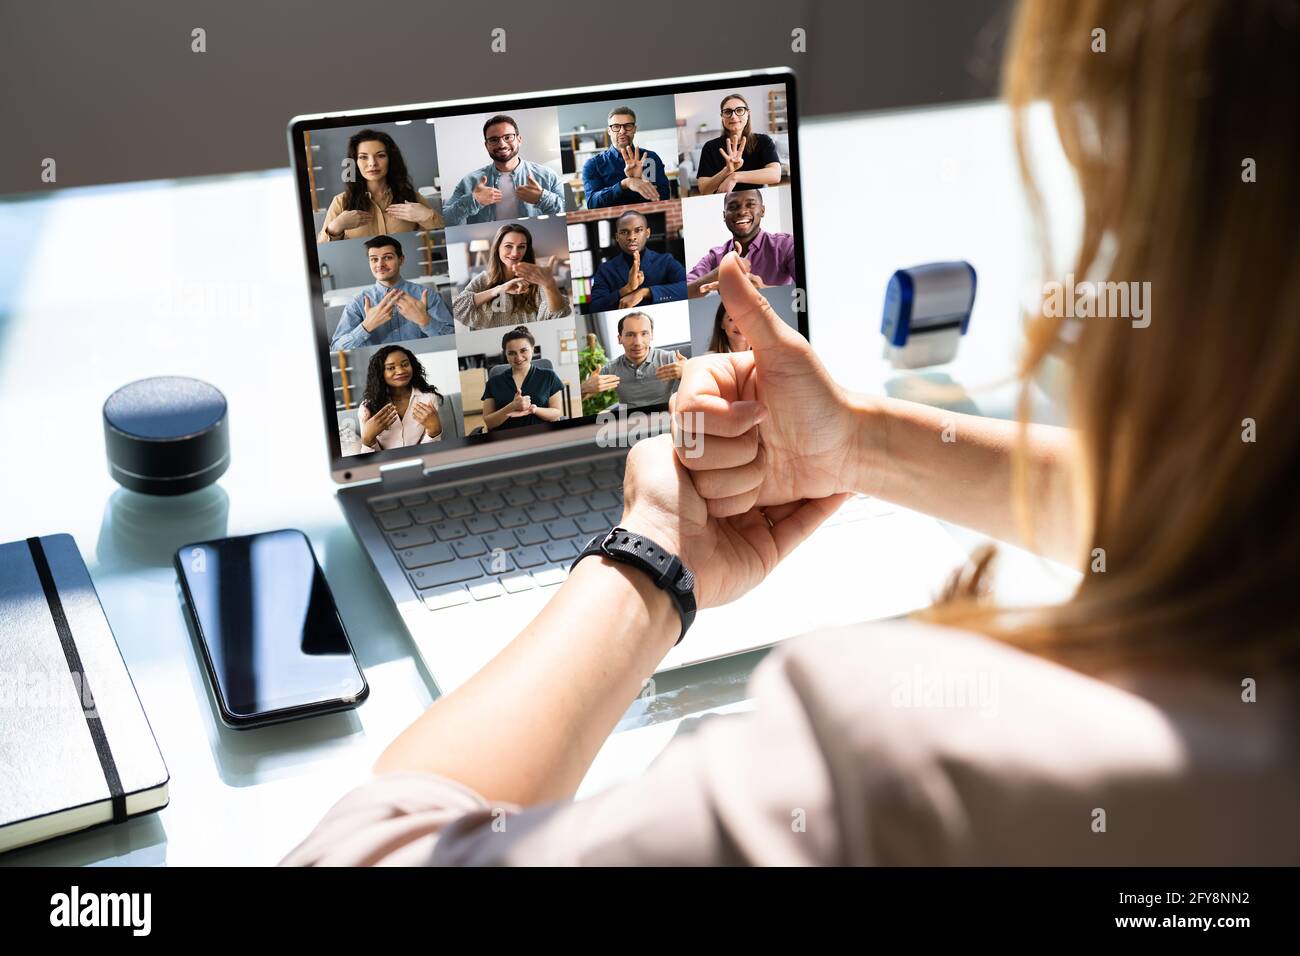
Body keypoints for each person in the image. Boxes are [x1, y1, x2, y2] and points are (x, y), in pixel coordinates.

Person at [283, 0, 1300, 866]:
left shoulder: (905, 765)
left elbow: (364, 849)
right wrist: (855, 443)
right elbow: (1235, 510)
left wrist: (651, 551)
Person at [330, 236, 454, 351]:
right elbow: (336, 348)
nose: (380, 265)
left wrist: (426, 321)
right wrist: (366, 326)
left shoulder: (427, 295)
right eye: (374, 259)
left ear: (401, 259)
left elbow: (452, 339)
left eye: (387, 257)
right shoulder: (357, 303)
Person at [317, 129, 443, 242]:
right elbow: (319, 249)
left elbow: (447, 238)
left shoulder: (412, 197)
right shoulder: (340, 202)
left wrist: (428, 216)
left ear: (391, 159)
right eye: (363, 157)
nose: (372, 163)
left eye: (380, 155)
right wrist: (336, 226)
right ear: (355, 162)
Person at [442, 115, 564, 225]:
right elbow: (445, 220)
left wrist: (542, 198)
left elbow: (568, 214)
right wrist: (473, 200)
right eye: (494, 140)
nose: (501, 144)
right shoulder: (469, 181)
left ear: (519, 139)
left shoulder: (548, 176)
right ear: (486, 145)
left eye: (508, 137)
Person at [452, 224, 571, 330]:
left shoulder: (536, 279)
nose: (515, 253)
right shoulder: (483, 279)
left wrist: (549, 284)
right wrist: (498, 289)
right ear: (497, 248)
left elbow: (560, 314)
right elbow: (457, 308)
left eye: (521, 247)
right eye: (508, 246)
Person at [687, 188, 796, 297]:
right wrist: (719, 273)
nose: (742, 211)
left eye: (750, 205)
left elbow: (809, 289)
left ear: (762, 211)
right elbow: (684, 292)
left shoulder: (786, 245)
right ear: (724, 216)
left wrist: (763, 289)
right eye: (733, 207)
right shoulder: (715, 256)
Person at [586, 210, 686, 312]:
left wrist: (645, 292)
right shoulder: (605, 269)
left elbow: (688, 287)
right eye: (624, 232)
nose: (631, 237)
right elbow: (595, 307)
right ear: (617, 237)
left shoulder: (665, 261)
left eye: (638, 230)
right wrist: (627, 289)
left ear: (647, 233)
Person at [580, 311, 684, 408]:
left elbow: (696, 383)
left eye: (644, 333)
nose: (638, 342)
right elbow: (580, 398)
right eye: (630, 335)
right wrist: (584, 388)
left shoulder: (670, 359)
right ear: (620, 339)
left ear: (651, 335)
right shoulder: (611, 369)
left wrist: (687, 371)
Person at [355, 345, 444, 452]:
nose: (401, 371)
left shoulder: (428, 399)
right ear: (380, 373)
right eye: (391, 368)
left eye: (405, 364)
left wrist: (434, 431)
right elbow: (369, 460)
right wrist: (367, 439)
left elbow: (432, 450)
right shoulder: (367, 408)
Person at [581, 106, 670, 208]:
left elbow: (664, 198)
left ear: (634, 129)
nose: (622, 131)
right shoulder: (593, 164)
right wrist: (624, 184)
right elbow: (592, 204)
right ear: (609, 131)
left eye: (628, 126)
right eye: (616, 126)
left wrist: (643, 178)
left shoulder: (650, 158)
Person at [480, 326, 566, 431]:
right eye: (512, 353)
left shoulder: (549, 376)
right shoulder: (493, 383)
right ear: (505, 354)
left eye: (523, 351)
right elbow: (489, 422)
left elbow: (557, 413)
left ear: (533, 349)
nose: (518, 358)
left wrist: (534, 410)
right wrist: (512, 406)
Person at [694, 93, 782, 196]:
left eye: (739, 110)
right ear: (722, 116)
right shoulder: (710, 147)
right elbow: (704, 190)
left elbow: (775, 175)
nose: (733, 116)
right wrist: (727, 170)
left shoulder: (763, 141)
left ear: (748, 114)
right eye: (727, 112)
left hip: (755, 198)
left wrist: (734, 177)